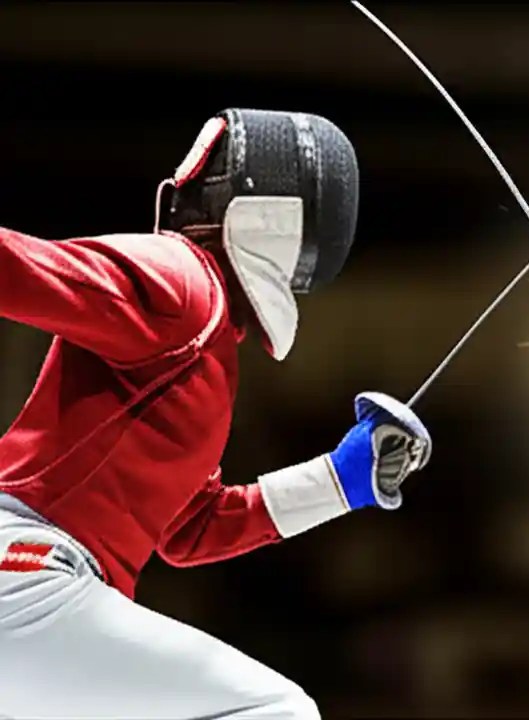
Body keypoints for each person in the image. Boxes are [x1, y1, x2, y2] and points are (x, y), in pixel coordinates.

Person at [0, 108, 430, 719]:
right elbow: (16, 268)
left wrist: (340, 480)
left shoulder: (205, 346)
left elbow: (189, 531)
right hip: (25, 578)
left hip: (38, 603)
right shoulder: (181, 283)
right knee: (276, 711)